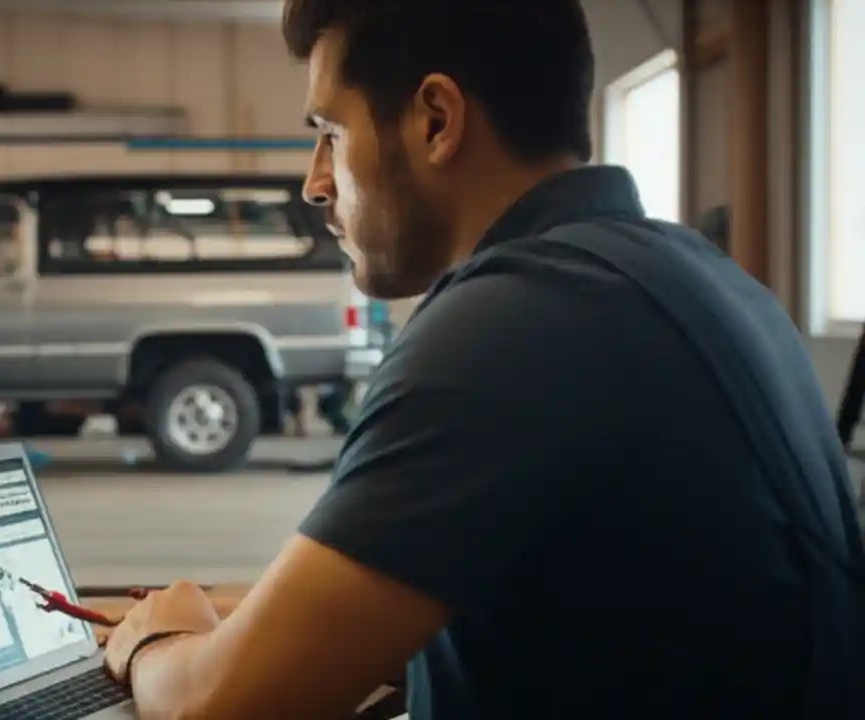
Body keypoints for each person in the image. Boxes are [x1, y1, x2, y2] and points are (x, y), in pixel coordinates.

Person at [101, 1, 865, 718]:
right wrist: (218, 615)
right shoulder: (697, 278)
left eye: (331, 131)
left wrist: (155, 643)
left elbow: (225, 705)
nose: (316, 181)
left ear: (436, 119)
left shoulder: (512, 323)